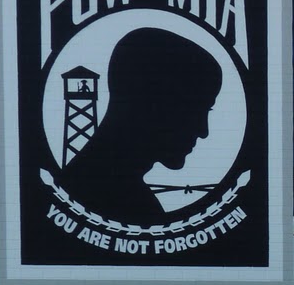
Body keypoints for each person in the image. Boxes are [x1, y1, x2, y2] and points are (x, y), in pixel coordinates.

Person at [56, 27, 221, 222]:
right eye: (195, 111)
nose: (203, 131)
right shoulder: (131, 206)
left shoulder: (71, 191)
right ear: (152, 104)